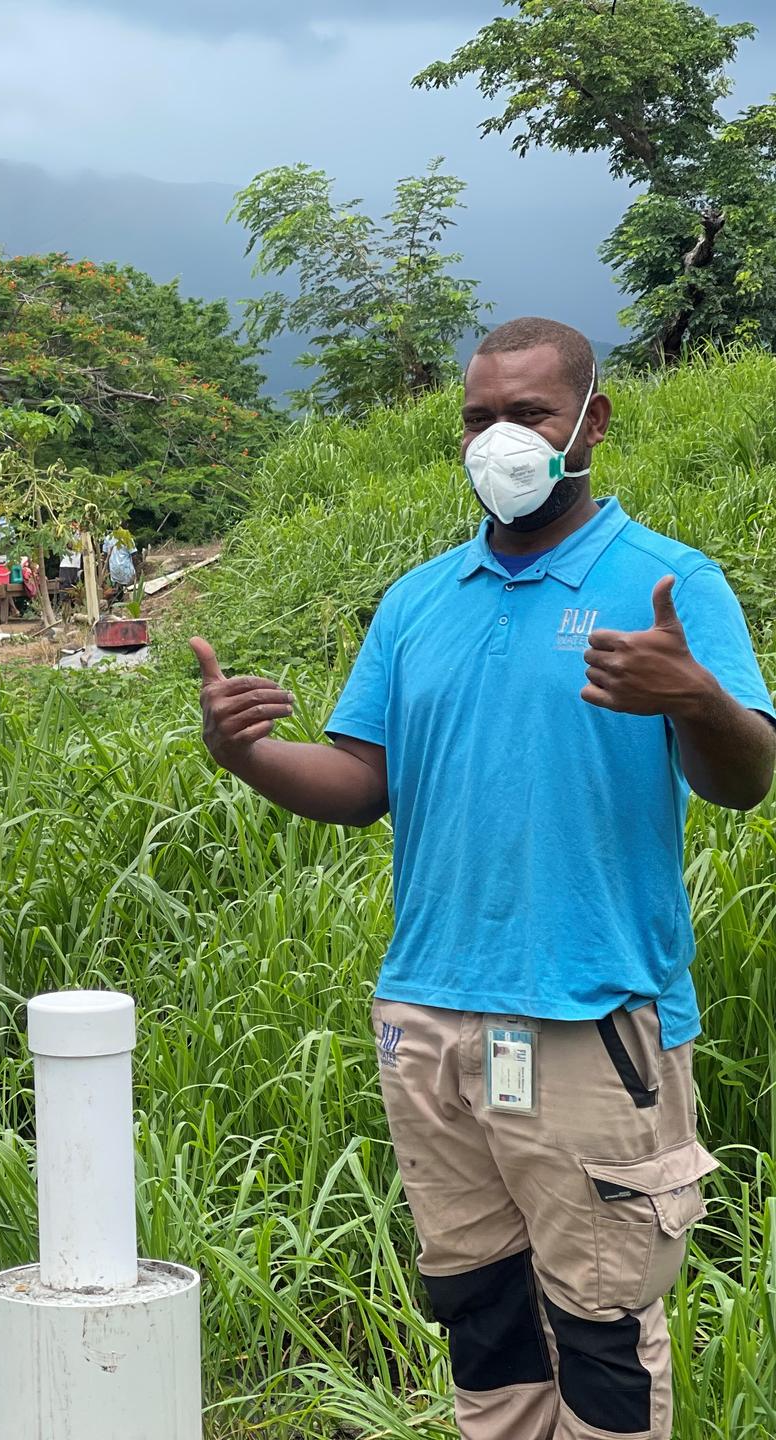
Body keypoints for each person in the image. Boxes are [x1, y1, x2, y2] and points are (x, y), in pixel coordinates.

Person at [191, 317, 774, 1440]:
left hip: (592, 1019)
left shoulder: (668, 585)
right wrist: (245, 753)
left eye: (529, 414)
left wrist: (695, 698)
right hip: (431, 1019)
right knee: (481, 1317)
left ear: (590, 423)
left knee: (602, 1335)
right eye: (477, 418)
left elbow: (747, 777)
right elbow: (363, 780)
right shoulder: (419, 602)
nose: (499, 438)